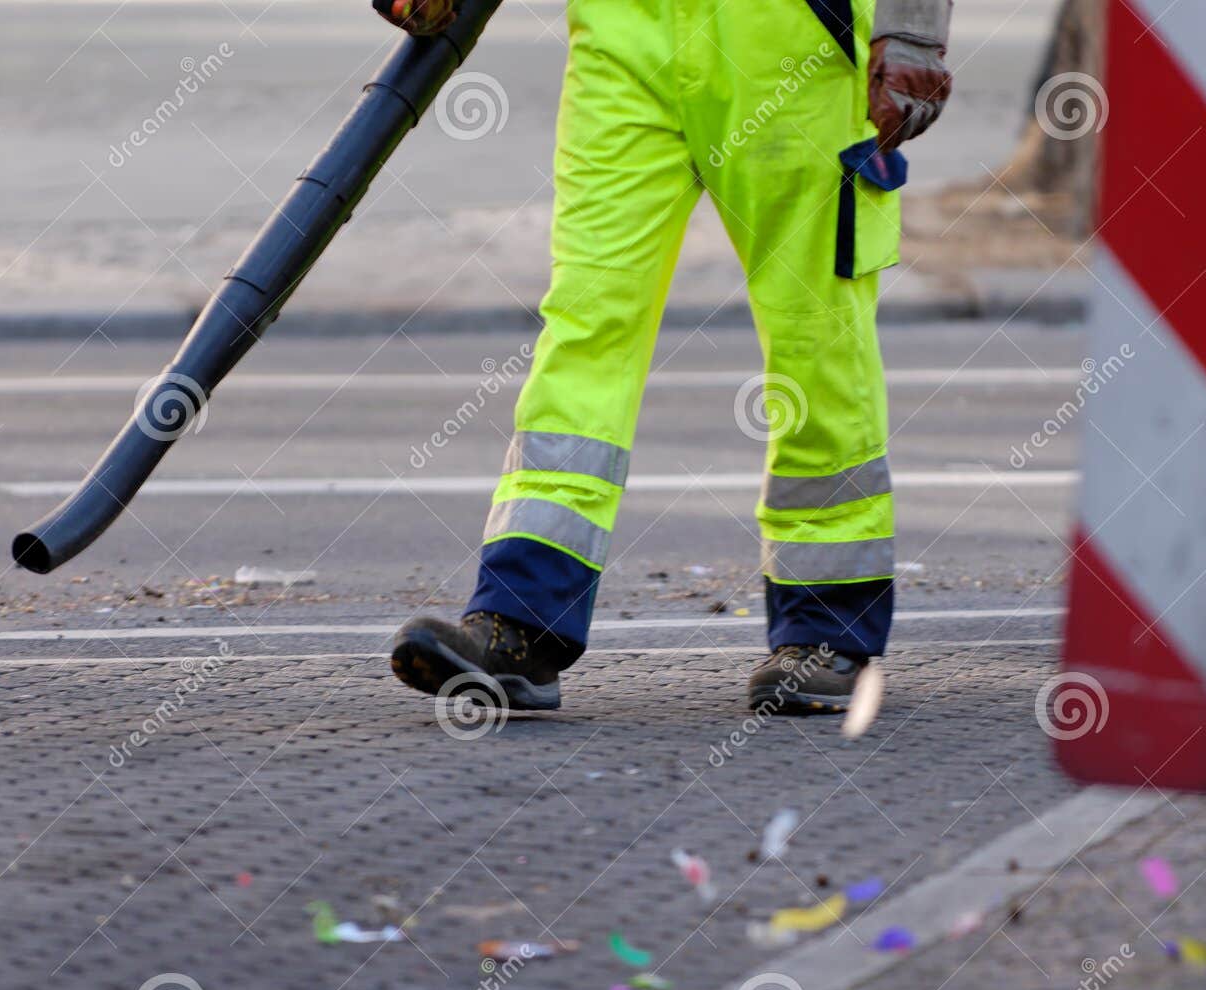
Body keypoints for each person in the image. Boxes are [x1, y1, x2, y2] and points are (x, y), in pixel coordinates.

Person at [382, 0, 953, 714]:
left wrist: (914, 28)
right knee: (588, 316)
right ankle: (523, 618)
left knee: (816, 337)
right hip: (627, 31)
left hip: (797, 39)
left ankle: (829, 625)